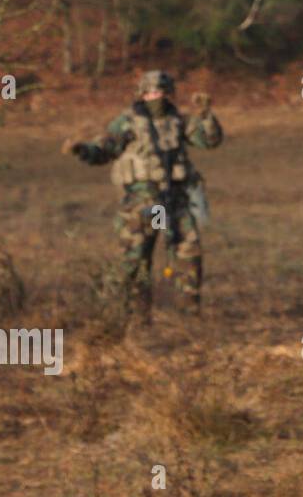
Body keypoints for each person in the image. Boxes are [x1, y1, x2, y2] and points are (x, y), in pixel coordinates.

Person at [64, 70, 223, 320]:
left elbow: (208, 141)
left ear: (169, 94)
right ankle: (130, 315)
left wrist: (206, 116)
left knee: (188, 253)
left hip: (175, 200)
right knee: (136, 259)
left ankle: (188, 313)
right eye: (150, 93)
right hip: (143, 202)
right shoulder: (127, 121)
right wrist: (83, 150)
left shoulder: (179, 120)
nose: (155, 97)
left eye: (160, 92)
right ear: (141, 94)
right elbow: (105, 148)